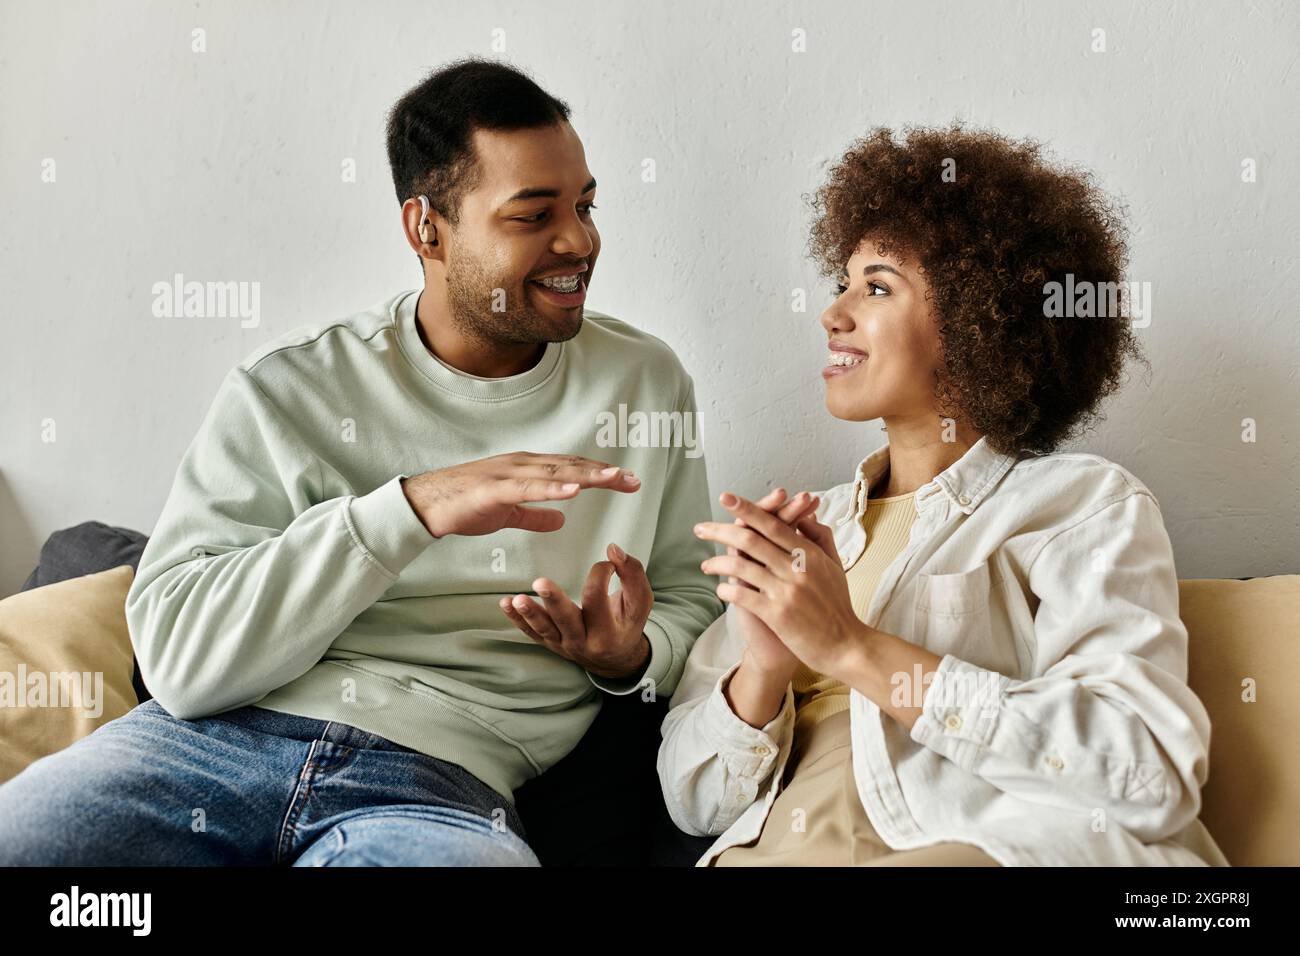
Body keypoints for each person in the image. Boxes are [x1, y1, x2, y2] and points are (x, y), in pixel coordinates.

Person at [0, 58, 721, 866]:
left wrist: (629, 657)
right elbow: (174, 657)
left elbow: (690, 592)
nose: (579, 240)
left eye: (585, 205)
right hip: (205, 748)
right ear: (426, 229)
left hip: (438, 785)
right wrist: (404, 511)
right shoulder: (290, 390)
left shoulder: (644, 385)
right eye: (534, 214)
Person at [657, 123, 1231, 867]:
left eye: (877, 287)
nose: (833, 314)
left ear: (975, 321)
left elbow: (1145, 770)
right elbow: (692, 802)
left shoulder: (1080, 506)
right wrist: (765, 667)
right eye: (842, 282)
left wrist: (852, 647)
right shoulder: (809, 531)